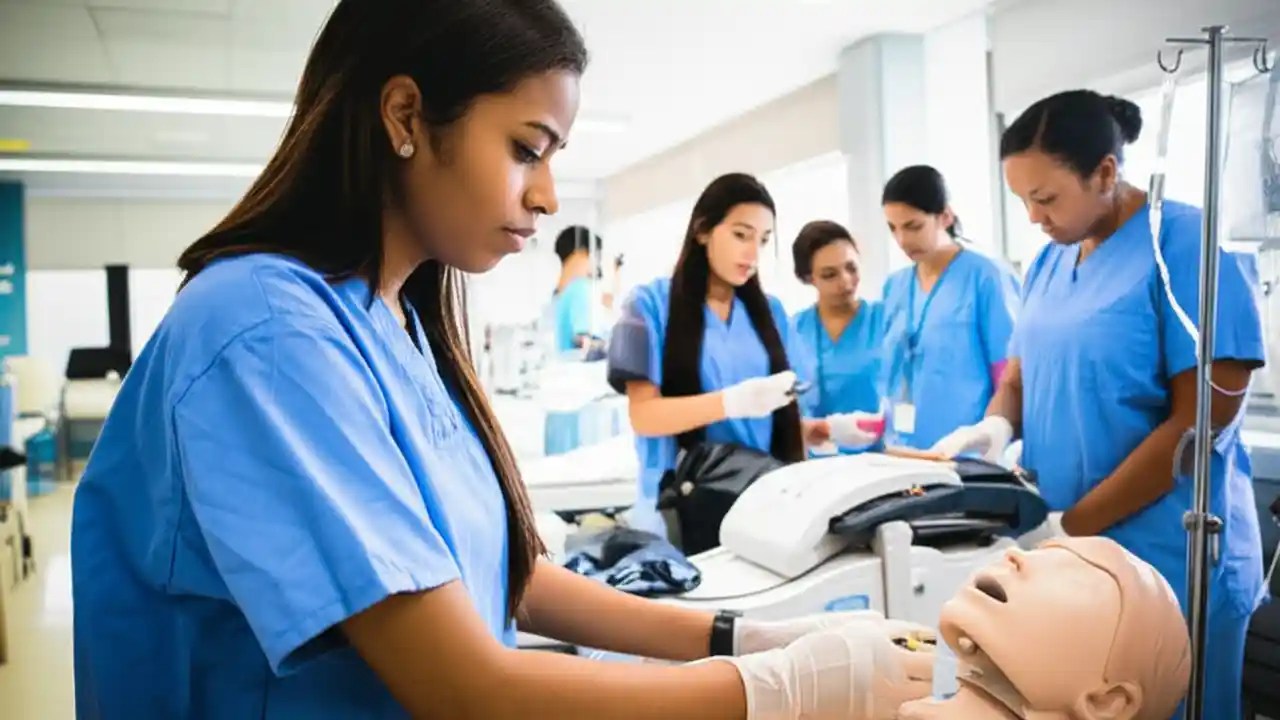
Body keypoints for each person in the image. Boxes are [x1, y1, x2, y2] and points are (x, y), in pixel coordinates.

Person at [67, 2, 934, 718]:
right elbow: (463, 686)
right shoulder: (265, 333)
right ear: (405, 117)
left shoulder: (398, 323)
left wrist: (737, 637)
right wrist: (775, 691)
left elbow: (508, 578)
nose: (548, 196)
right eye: (527, 149)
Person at [934, 89, 1265, 717]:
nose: (1034, 217)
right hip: (1076, 561)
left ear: (1105, 172)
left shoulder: (1186, 246)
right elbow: (1021, 371)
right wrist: (996, 424)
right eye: (1022, 200)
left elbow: (1202, 419)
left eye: (1046, 197)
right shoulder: (1049, 260)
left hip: (1169, 554)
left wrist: (1075, 523)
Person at [608, 173, 833, 534]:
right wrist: (732, 402)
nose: (753, 253)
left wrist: (811, 431)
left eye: (763, 240)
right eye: (741, 235)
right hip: (678, 511)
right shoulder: (648, 305)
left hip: (758, 504)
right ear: (702, 231)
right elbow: (644, 416)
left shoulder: (771, 313)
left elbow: (764, 424)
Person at [879, 165, 1020, 450]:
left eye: (913, 226)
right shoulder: (894, 286)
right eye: (893, 228)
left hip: (968, 452)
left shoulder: (985, 277)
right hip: (903, 450)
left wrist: (997, 438)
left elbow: (1009, 374)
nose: (902, 240)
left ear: (945, 217)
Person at [787, 220, 887, 453]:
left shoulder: (885, 320)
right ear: (808, 278)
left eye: (851, 268)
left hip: (881, 457)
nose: (845, 281)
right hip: (815, 462)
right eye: (829, 275)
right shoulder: (794, 330)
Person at [551, 224, 603, 352]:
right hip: (576, 363)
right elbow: (583, 342)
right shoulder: (580, 288)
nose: (597, 266)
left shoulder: (557, 296)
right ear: (580, 254)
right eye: (595, 257)